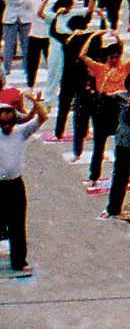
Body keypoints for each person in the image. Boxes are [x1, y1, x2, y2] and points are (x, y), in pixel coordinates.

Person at [0, 88, 48, 277]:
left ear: (14, 122)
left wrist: (34, 102)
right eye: (2, 123)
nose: (5, 127)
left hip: (14, 184)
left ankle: (19, 261)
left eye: (8, 123)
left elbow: (42, 118)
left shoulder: (20, 132)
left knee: (18, 223)